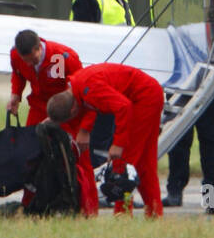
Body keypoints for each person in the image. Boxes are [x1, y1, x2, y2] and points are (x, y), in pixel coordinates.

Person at [46, 62, 164, 218]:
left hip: (144, 99)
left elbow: (124, 107)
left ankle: (122, 216)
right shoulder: (76, 87)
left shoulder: (90, 90)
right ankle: (155, 213)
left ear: (73, 109)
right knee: (144, 164)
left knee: (123, 164)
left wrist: (118, 144)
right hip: (148, 94)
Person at [7, 29, 96, 215]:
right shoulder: (16, 55)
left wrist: (83, 128)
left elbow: (84, 93)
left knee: (79, 158)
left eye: (34, 59)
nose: (31, 64)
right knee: (31, 155)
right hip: (39, 108)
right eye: (27, 61)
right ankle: (31, 206)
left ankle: (87, 209)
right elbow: (18, 74)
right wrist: (16, 94)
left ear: (39, 47)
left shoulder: (65, 57)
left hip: (69, 110)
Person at [68, 0, 133, 161]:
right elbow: (82, 38)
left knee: (111, 134)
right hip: (96, 78)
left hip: (114, 76)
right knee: (98, 136)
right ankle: (94, 182)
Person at [163, 98, 214, 208]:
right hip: (184, 90)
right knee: (178, 141)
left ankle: (209, 194)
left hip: (208, 94)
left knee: (210, 144)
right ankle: (175, 190)